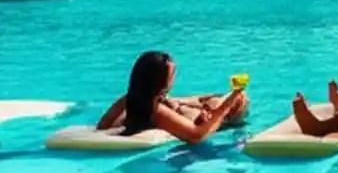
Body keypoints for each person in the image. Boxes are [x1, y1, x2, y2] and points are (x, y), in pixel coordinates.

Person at [96, 51, 248, 145]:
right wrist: (229, 103)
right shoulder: (155, 111)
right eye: (172, 74)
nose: (174, 78)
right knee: (240, 102)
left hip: (176, 111)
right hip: (195, 128)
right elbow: (197, 135)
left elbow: (102, 126)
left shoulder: (130, 98)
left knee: (216, 100)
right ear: (158, 80)